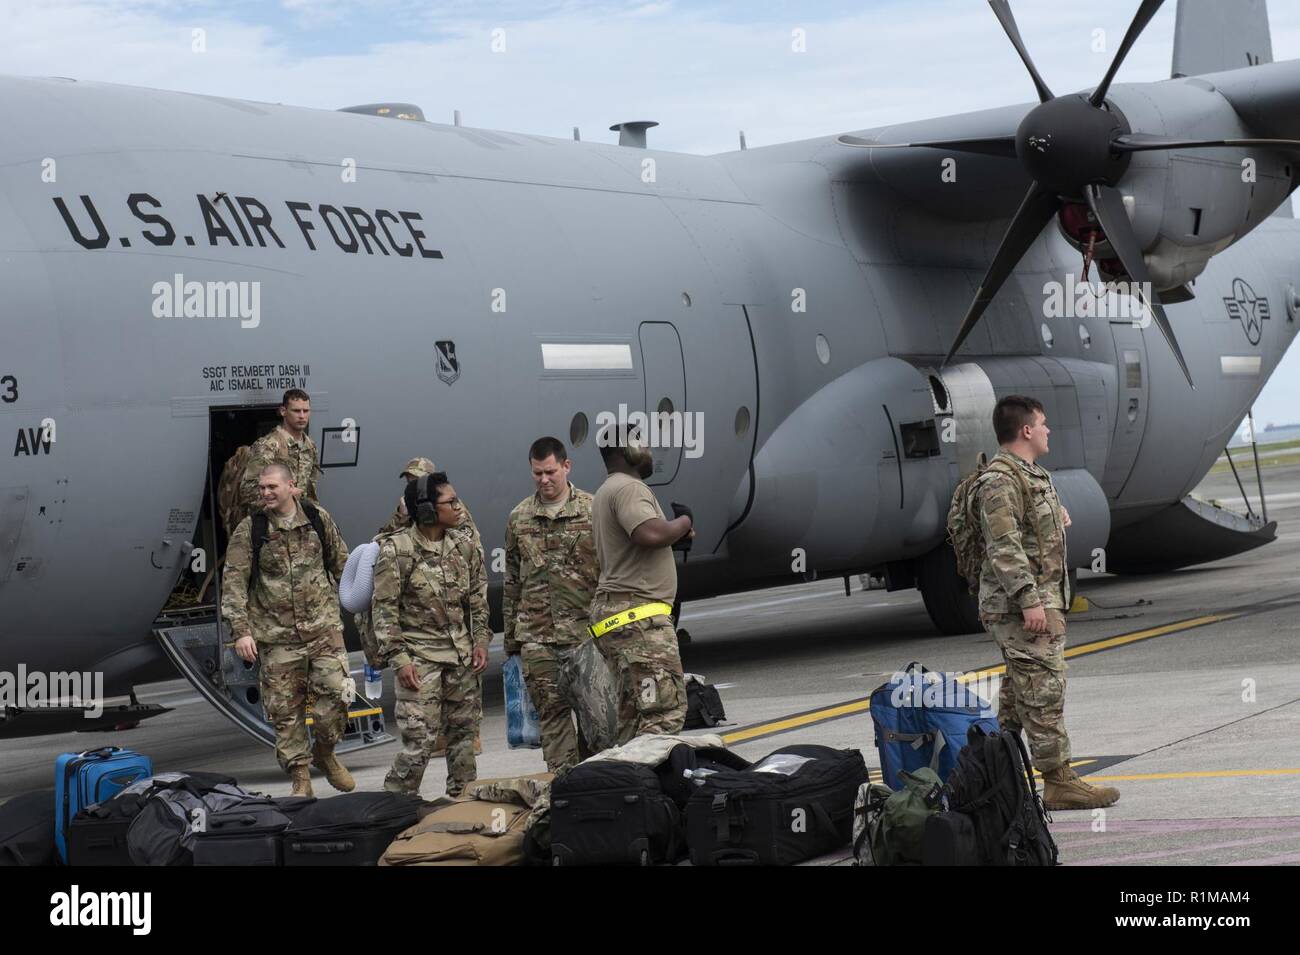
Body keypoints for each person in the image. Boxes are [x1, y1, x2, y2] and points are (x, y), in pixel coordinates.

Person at [976, 395, 1119, 811]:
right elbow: (1004, 547)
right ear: (1026, 431)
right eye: (1042, 423)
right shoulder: (1000, 480)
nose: (1047, 429)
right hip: (1021, 607)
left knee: (1018, 695)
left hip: (1040, 600)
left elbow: (1026, 532)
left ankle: (994, 773)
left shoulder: (1030, 474)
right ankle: (1058, 782)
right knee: (1044, 690)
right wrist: (1029, 601)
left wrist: (1056, 516)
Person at [222, 463, 353, 797]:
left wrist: (360, 607)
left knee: (336, 696)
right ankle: (300, 777)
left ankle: (326, 752)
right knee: (285, 712)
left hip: (323, 630)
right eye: (262, 488)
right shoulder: (250, 530)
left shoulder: (317, 519)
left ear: (290, 486)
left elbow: (342, 564)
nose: (265, 493)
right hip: (277, 637)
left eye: (271, 487)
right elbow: (234, 584)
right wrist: (241, 632)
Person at [373, 472, 490, 796]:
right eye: (450, 502)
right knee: (419, 743)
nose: (458, 507)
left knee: (464, 740)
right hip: (419, 660)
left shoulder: (464, 546)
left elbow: (478, 601)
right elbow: (384, 611)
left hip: (461, 658)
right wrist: (399, 660)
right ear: (426, 510)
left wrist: (480, 640)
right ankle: (392, 808)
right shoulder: (397, 550)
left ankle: (463, 803)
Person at [589, 424, 693, 743]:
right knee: (664, 716)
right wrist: (684, 521)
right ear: (629, 452)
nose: (648, 451)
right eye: (643, 445)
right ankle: (644, 785)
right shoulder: (630, 489)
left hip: (619, 617)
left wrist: (671, 537)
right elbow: (648, 533)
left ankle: (628, 787)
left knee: (633, 720)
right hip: (639, 619)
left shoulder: (606, 491)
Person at [503, 436, 598, 773]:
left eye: (550, 472)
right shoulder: (519, 518)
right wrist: (513, 642)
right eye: (537, 473)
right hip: (538, 641)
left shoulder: (592, 509)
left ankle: (598, 785)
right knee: (553, 721)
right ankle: (564, 790)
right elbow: (513, 581)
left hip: (587, 636)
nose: (544, 480)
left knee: (595, 719)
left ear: (566, 466)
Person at [238, 389, 322, 514]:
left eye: (306, 411)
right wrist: (286, 493)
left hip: (299, 520)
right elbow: (247, 491)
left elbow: (311, 490)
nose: (302, 416)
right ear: (283, 411)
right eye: (296, 411)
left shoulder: (309, 446)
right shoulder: (268, 446)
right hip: (271, 521)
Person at [376, 456, 481, 545]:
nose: (413, 486)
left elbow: (471, 543)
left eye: (418, 480)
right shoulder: (407, 505)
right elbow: (381, 542)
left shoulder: (451, 506)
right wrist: (401, 516)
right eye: (409, 481)